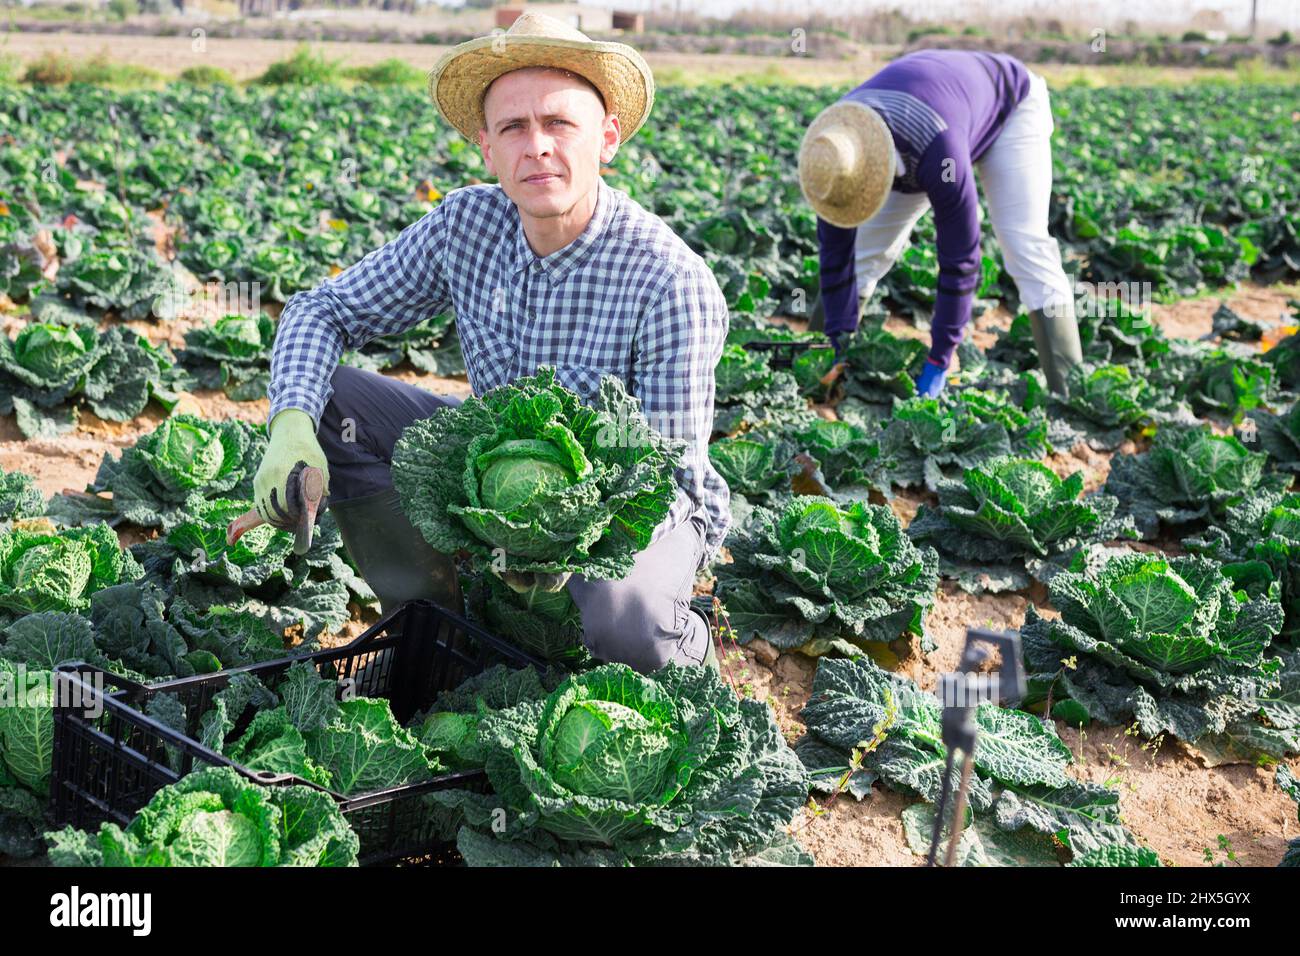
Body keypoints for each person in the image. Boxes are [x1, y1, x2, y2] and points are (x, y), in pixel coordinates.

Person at [252, 12, 728, 673]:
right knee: (330, 398)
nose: (537, 146)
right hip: (497, 469)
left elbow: (662, 474)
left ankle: (689, 659)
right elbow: (321, 310)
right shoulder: (467, 225)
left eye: (559, 123)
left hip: (639, 505)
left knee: (623, 617)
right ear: (487, 148)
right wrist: (292, 424)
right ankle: (433, 632)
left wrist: (556, 542)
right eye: (513, 127)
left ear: (607, 138)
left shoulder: (670, 279)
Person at [800, 49, 1083, 396]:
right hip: (926, 116)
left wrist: (940, 359)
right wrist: (835, 342)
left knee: (1023, 245)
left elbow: (960, 260)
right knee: (863, 254)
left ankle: (1071, 391)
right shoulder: (836, 152)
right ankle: (817, 371)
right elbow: (836, 257)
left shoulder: (941, 156)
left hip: (1008, 106)